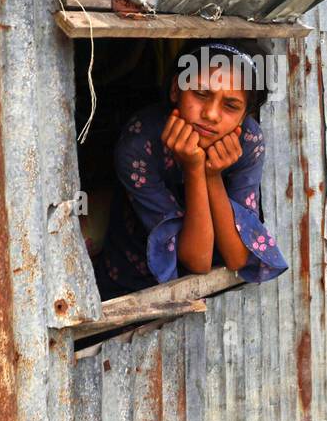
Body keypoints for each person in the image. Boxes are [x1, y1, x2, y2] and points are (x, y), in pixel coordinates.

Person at [91, 38, 289, 300]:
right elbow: (198, 261)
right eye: (201, 94)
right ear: (176, 89)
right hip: (137, 276)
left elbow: (237, 257)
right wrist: (194, 168)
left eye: (230, 105)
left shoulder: (248, 141)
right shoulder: (139, 143)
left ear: (244, 115)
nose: (211, 114)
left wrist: (212, 174)